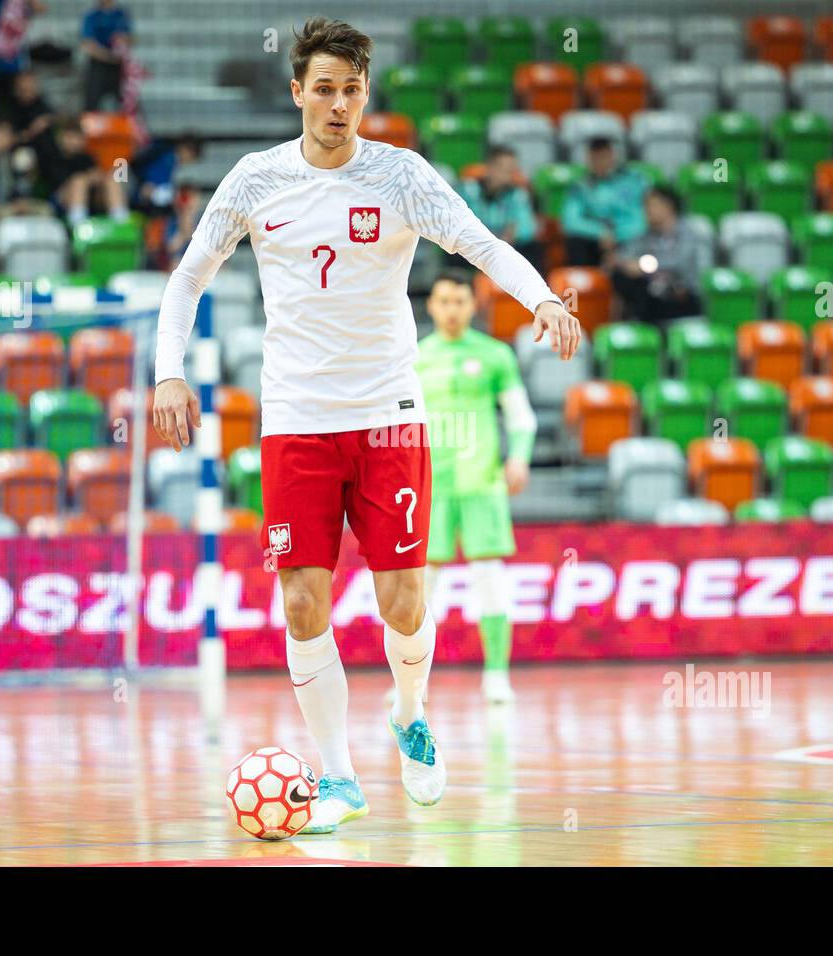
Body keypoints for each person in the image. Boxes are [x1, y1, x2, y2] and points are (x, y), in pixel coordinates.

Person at [152, 17, 579, 834]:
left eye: (352, 90)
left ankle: (410, 713)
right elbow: (188, 277)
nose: (339, 104)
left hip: (388, 416)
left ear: (366, 93)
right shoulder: (254, 180)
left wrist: (544, 299)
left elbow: (482, 246)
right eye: (324, 89)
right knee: (302, 603)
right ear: (297, 93)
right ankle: (339, 778)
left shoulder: (401, 176)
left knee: (403, 600)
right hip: (296, 420)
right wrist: (169, 372)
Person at [415, 271, 536, 703]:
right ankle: (413, 684)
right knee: (421, 587)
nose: (452, 309)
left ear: (473, 305)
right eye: (444, 301)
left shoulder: (495, 355)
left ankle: (497, 674)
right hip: (430, 487)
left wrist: (518, 456)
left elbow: (521, 418)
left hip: (482, 482)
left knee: (489, 578)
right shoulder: (413, 357)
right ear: (431, 305)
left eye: (460, 301)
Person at [610, 185, 702, 325]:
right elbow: (624, 257)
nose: (647, 210)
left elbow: (679, 263)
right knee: (621, 276)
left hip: (681, 298)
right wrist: (622, 262)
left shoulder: (688, 233)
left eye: (652, 205)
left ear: (668, 206)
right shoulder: (646, 235)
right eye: (645, 205)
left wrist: (643, 265)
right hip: (652, 297)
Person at [561, 137, 646, 266]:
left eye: (604, 157)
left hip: (628, 236)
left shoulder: (633, 180)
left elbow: (642, 216)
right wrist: (601, 233)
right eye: (595, 159)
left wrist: (617, 235)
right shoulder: (581, 185)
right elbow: (570, 221)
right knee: (575, 241)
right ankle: (585, 277)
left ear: (613, 157)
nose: (600, 163)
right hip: (596, 238)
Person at [456, 146, 541, 272]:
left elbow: (528, 228)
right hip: (473, 247)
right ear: (490, 168)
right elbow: (457, 221)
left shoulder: (517, 194)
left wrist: (512, 233)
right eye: (505, 171)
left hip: (504, 248)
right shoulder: (469, 190)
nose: (509, 176)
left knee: (531, 248)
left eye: (512, 171)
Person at [80, 0, 130, 111]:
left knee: (126, 101)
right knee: (92, 102)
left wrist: (122, 41)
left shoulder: (121, 15)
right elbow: (88, 44)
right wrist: (109, 56)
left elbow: (130, 37)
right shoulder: (92, 16)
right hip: (99, 65)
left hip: (119, 65)